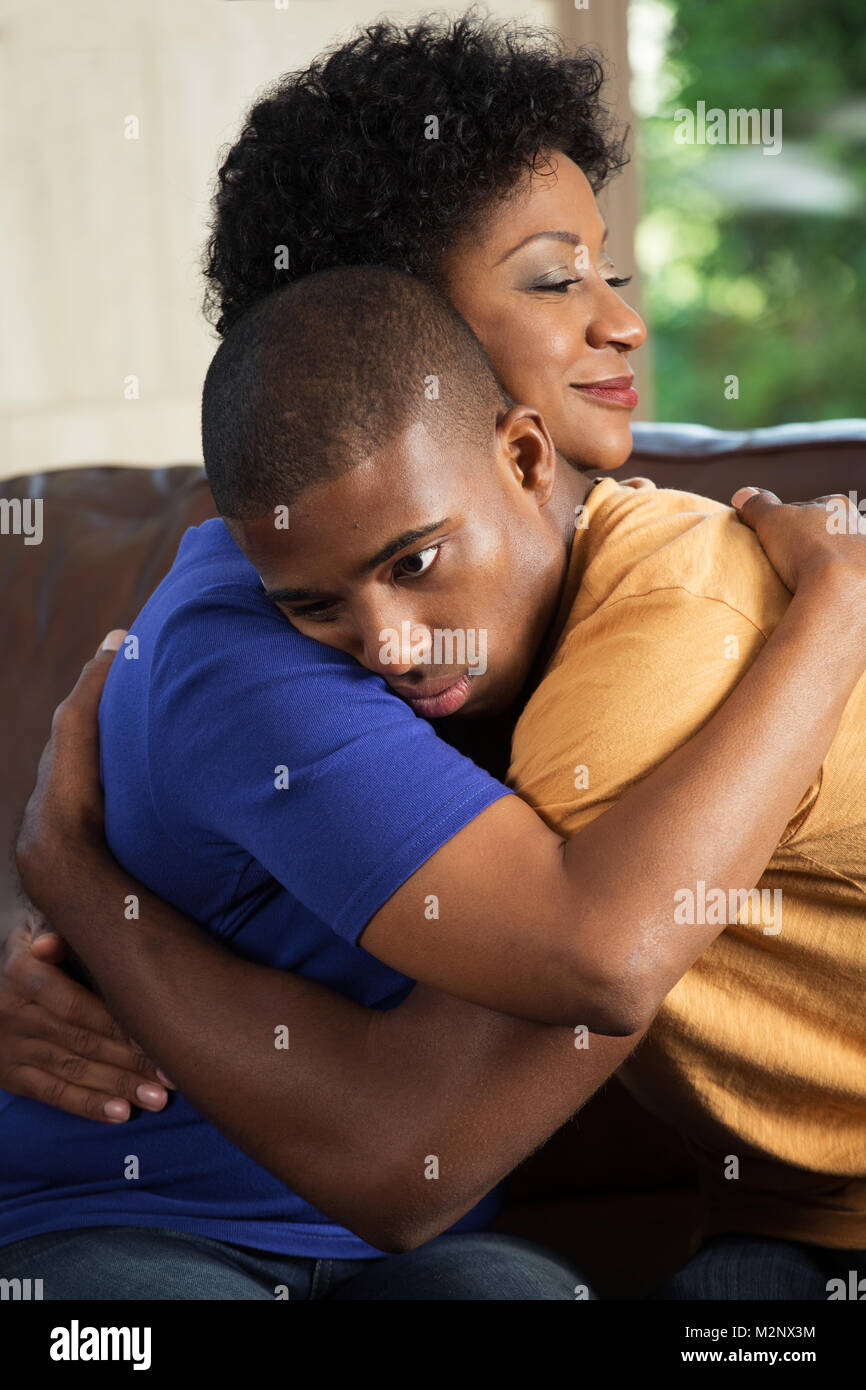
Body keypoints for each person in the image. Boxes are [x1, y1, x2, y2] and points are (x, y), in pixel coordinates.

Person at [2, 13, 863, 1299]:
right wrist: (61, 895)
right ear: (393, 321)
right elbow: (560, 977)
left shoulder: (643, 597)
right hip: (155, 1219)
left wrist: (73, 883)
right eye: (551, 279)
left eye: (604, 270)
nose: (619, 324)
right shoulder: (276, 621)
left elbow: (574, 981)